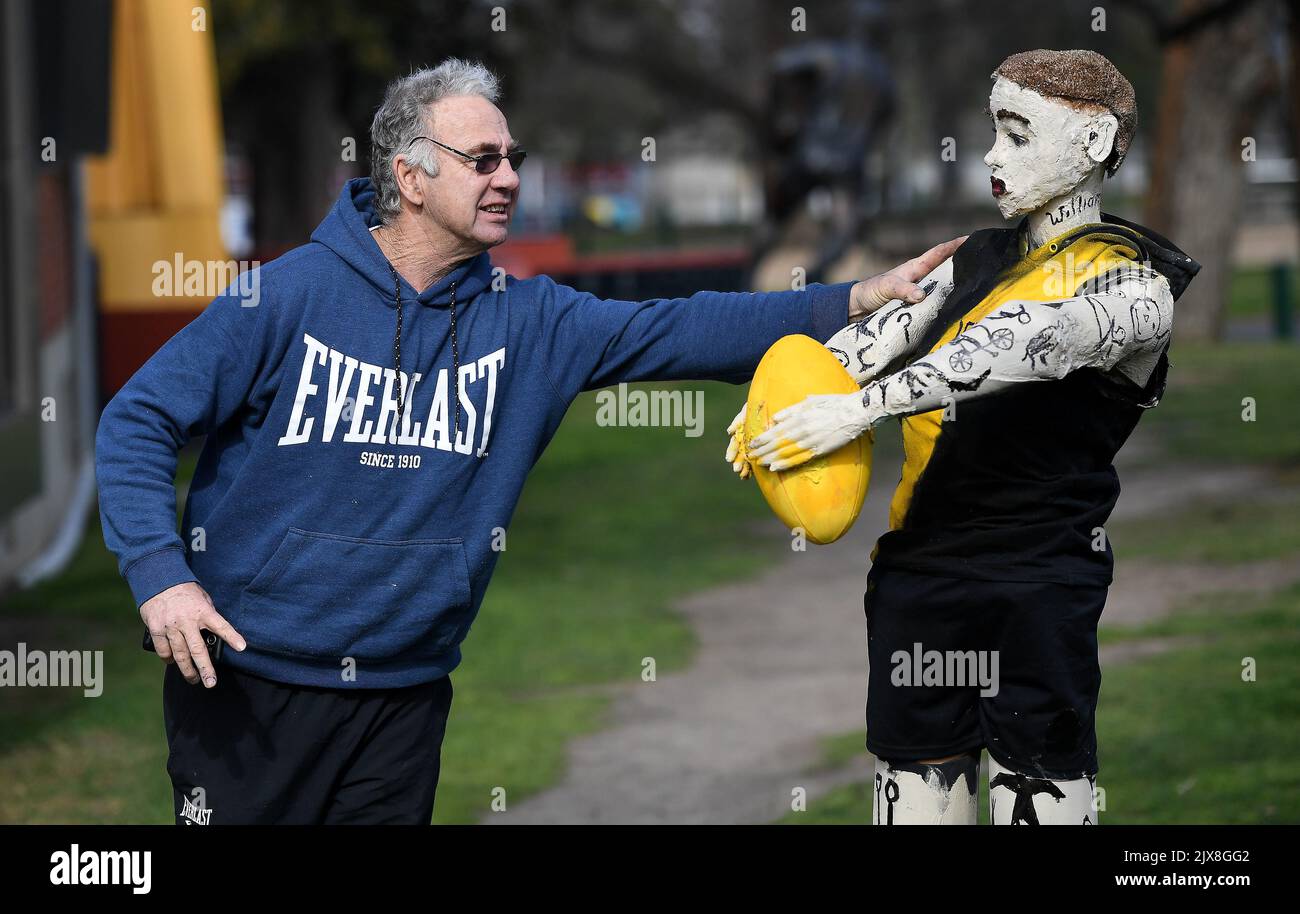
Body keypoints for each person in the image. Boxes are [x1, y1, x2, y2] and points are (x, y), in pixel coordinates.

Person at [95, 57, 960, 825]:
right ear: (411, 177)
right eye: (484, 160)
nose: (508, 176)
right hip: (247, 690)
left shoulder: (533, 320)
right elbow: (137, 419)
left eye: (513, 158)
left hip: (404, 696)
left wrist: (849, 301)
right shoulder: (282, 296)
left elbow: (685, 328)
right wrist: (162, 577)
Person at [736, 49, 1200, 824]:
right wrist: (772, 403)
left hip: (1039, 589)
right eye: (993, 130)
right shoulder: (972, 261)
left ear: (1092, 145)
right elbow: (871, 339)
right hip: (919, 580)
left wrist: (861, 410)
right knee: (913, 799)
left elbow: (1030, 340)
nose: (989, 156)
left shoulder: (1137, 289)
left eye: (1017, 134)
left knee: (1041, 797)